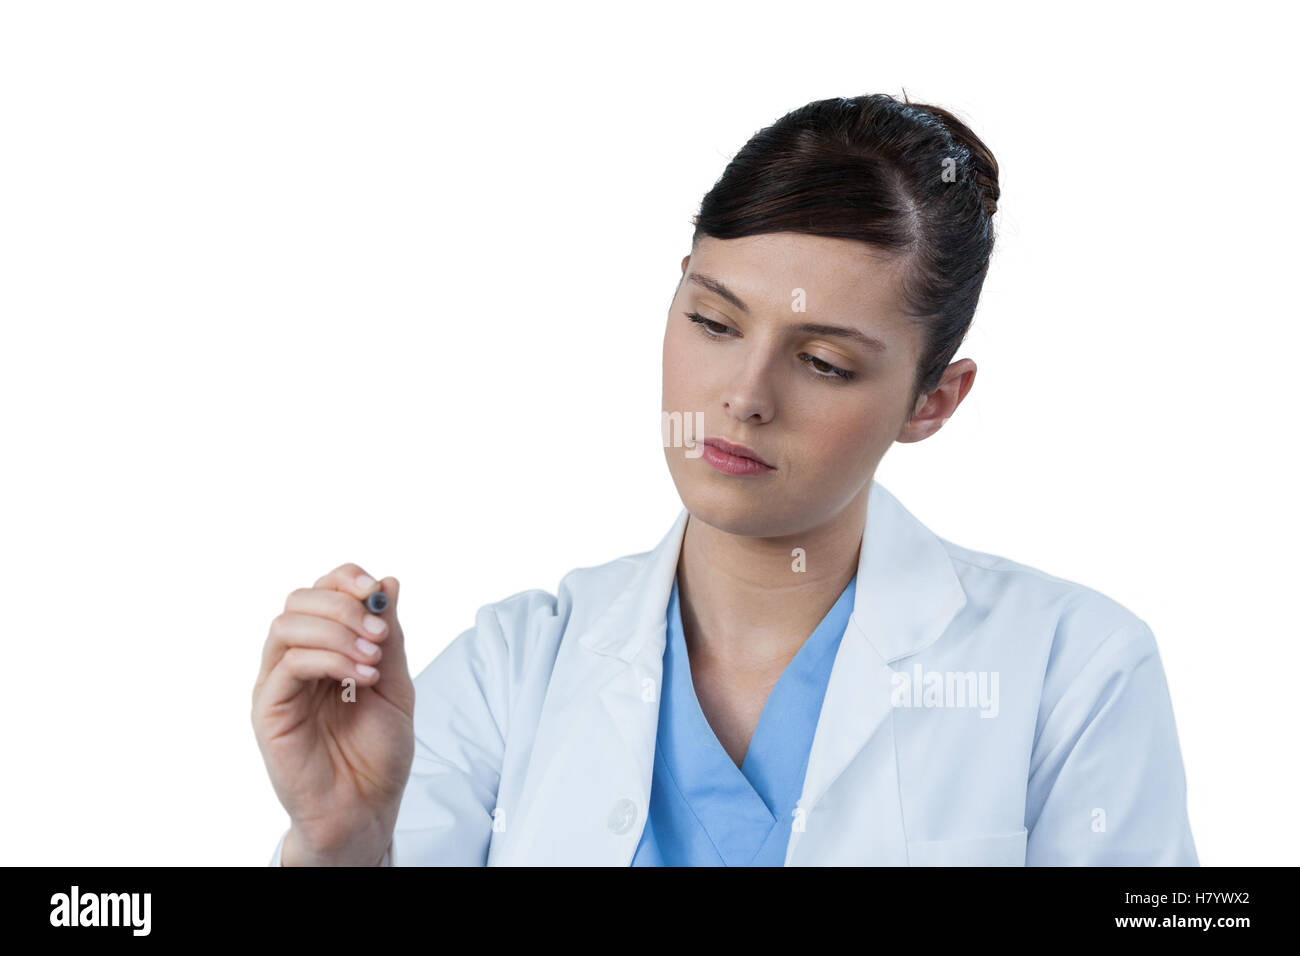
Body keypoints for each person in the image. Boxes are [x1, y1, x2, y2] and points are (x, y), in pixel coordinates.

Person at [251, 93, 1198, 866]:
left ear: (932, 403)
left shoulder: (1073, 673)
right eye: (713, 322)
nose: (744, 396)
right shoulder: (512, 674)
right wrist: (340, 846)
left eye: (823, 362)